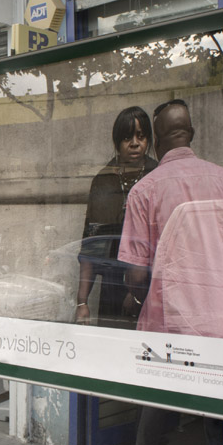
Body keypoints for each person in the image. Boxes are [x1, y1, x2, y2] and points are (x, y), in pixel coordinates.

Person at [117, 99, 223, 445]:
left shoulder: (144, 190)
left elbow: (134, 273)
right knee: (218, 387)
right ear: (191, 134)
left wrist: (135, 293)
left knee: (159, 389)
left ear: (156, 141)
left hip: (168, 319)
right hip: (217, 314)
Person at [75, 106, 159, 327]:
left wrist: (138, 293)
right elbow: (90, 244)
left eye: (141, 136)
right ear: (116, 142)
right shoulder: (104, 180)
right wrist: (81, 302)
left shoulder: (157, 176)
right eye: (127, 137)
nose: (134, 143)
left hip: (151, 285)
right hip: (112, 285)